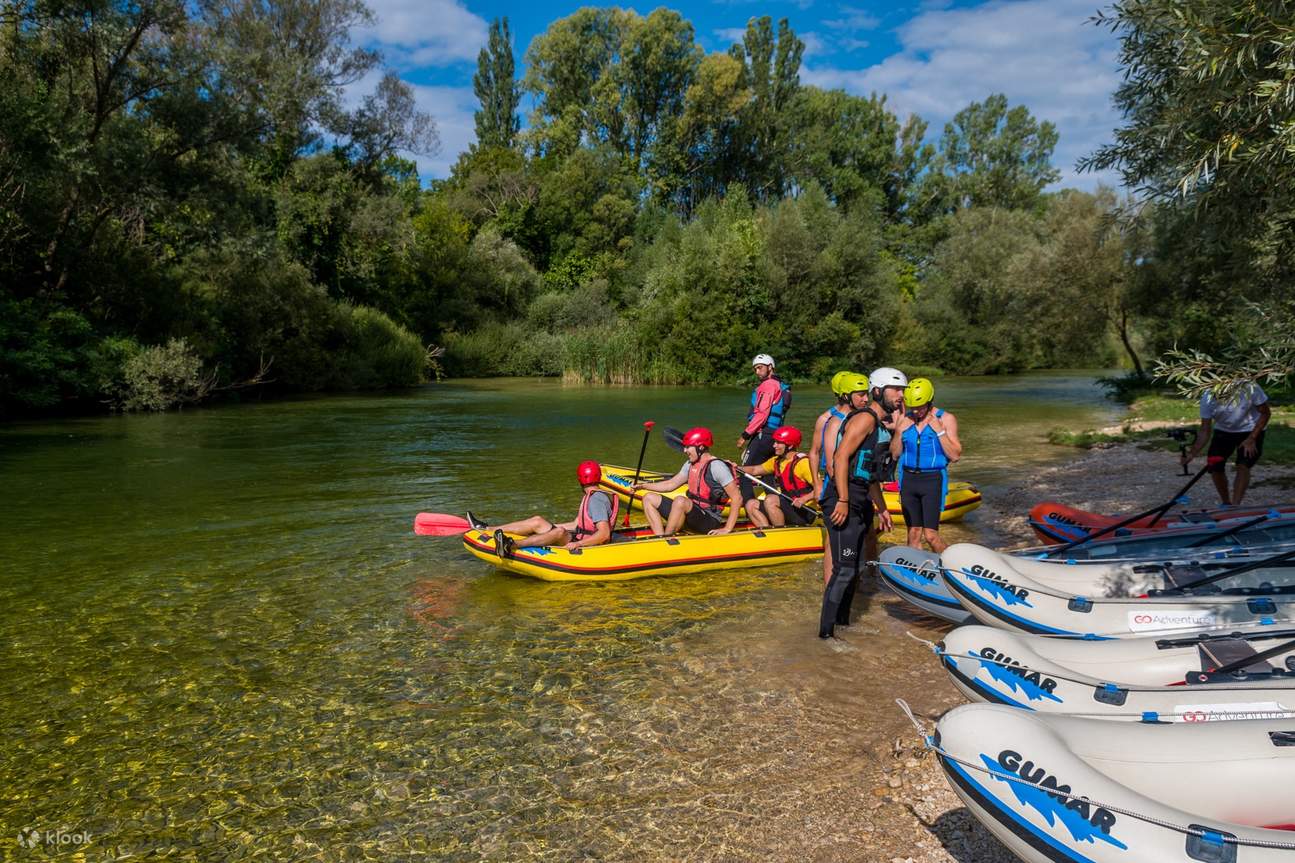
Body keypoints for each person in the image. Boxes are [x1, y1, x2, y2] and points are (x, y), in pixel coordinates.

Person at [819, 368, 903, 638]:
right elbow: (840, 458)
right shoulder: (865, 419)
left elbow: (871, 474)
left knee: (855, 568)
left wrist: (882, 507)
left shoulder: (879, 425)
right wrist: (842, 499)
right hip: (843, 497)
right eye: (895, 390)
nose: (901, 395)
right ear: (877, 391)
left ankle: (843, 624)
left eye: (902, 390)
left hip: (861, 496)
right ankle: (825, 636)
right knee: (843, 570)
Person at [475, 461, 619, 558]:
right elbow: (577, 525)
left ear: (580, 479)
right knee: (538, 521)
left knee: (559, 532)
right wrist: (550, 526)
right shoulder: (592, 496)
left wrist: (577, 543)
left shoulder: (596, 499)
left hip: (590, 546)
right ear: (598, 477)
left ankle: (511, 545)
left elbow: (604, 534)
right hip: (582, 536)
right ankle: (489, 528)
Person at [889, 377, 962, 553]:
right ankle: (915, 576)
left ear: (930, 401)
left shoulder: (945, 419)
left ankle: (954, 567)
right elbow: (895, 453)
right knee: (913, 534)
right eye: (912, 407)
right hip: (908, 480)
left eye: (920, 407)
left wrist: (940, 431)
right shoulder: (904, 419)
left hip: (932, 480)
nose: (915, 412)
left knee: (931, 535)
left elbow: (955, 455)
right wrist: (899, 431)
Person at [809, 372, 867, 583]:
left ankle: (860, 581)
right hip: (833, 483)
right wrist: (816, 483)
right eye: (861, 394)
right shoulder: (827, 419)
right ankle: (830, 586)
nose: (865, 398)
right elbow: (815, 452)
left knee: (862, 534)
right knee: (832, 540)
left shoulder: (863, 417)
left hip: (855, 482)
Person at [636, 427, 743, 536]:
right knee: (648, 498)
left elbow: (737, 498)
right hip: (691, 513)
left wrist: (727, 528)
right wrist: (643, 486)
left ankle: (667, 539)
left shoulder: (717, 467)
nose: (684, 450)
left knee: (680, 501)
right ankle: (659, 536)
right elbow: (670, 484)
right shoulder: (690, 464)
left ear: (701, 447)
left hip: (710, 520)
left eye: (688, 447)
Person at [1181, 383, 1272, 506]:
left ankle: (1235, 506)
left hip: (1251, 429)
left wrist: (1251, 439)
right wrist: (1192, 453)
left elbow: (1266, 413)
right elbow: (1205, 430)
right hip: (1224, 430)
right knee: (1215, 466)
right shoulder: (1208, 397)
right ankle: (1226, 503)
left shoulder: (1250, 387)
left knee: (1243, 464)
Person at [736, 426, 817, 527]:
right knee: (750, 504)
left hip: (805, 511)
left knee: (770, 499)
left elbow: (822, 489)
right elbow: (755, 470)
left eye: (778, 443)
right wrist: (734, 467)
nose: (774, 445)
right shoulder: (777, 461)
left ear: (790, 445)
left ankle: (780, 531)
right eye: (775, 442)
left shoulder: (803, 463)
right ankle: (769, 533)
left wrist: (803, 499)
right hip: (790, 506)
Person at [737, 353, 792, 466]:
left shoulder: (769, 385)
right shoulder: (779, 385)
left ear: (770, 367)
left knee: (745, 470)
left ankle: (744, 483)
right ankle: (771, 484)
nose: (757, 372)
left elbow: (762, 414)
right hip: (775, 434)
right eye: (755, 369)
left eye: (760, 367)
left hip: (764, 434)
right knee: (767, 471)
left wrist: (745, 435)